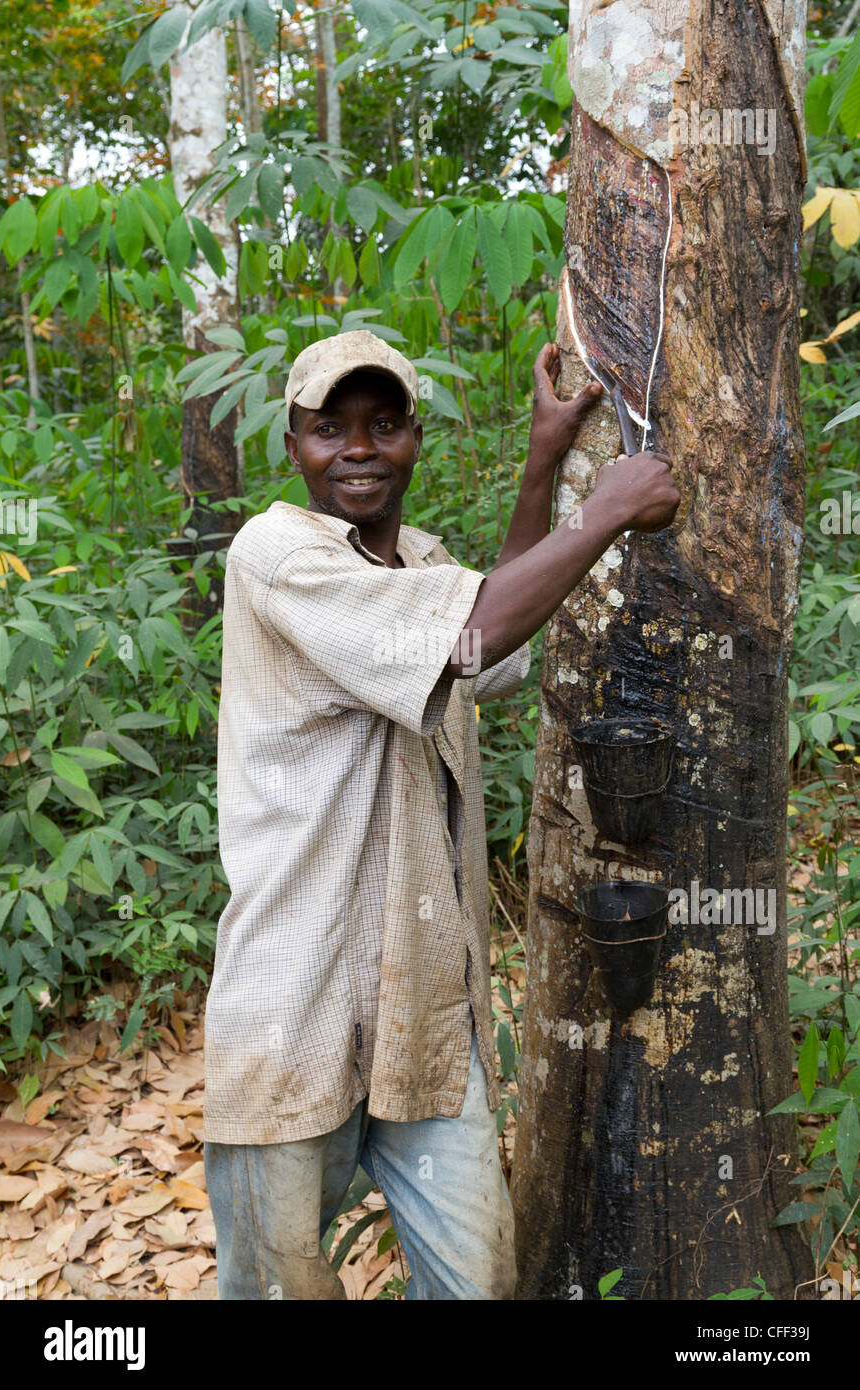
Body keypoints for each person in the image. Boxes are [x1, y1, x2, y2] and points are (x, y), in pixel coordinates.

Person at [203, 329, 680, 1300]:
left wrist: (543, 465)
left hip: (423, 1008)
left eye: (384, 424)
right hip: (293, 1007)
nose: (358, 448)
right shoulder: (276, 552)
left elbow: (485, 652)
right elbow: (471, 630)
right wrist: (603, 512)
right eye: (328, 428)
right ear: (292, 445)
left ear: (415, 437)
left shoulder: (418, 560)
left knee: (477, 1282)